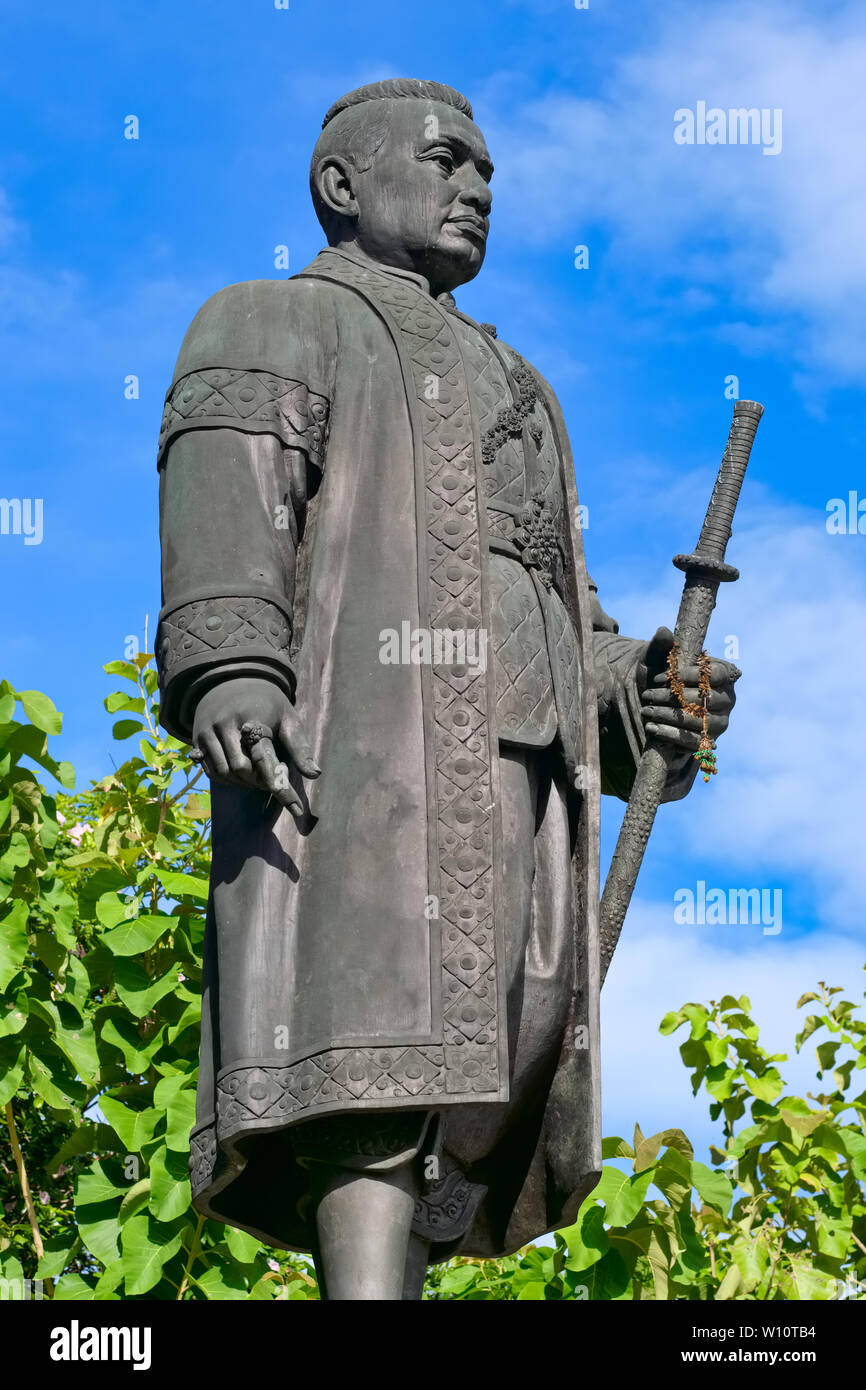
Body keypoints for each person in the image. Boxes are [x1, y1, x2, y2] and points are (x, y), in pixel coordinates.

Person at [155, 78, 739, 1300]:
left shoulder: (524, 384)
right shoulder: (270, 316)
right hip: (369, 749)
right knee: (375, 1034)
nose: (475, 185)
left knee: (506, 1040)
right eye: (445, 160)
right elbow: (229, 496)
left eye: (487, 172)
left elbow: (559, 599)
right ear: (341, 185)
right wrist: (231, 669)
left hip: (524, 758)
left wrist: (640, 694)